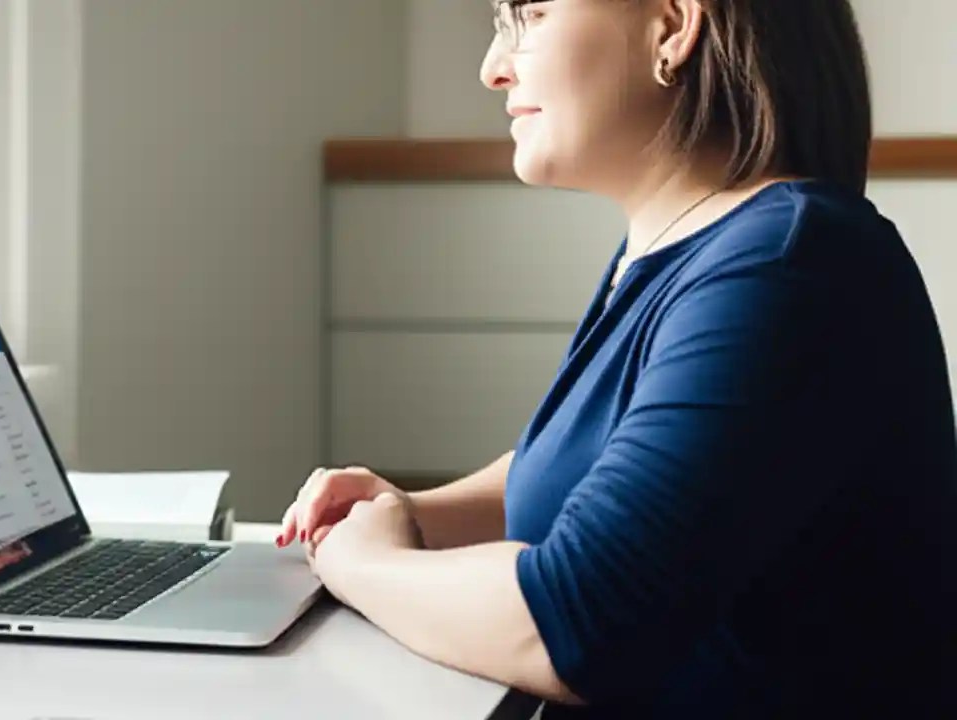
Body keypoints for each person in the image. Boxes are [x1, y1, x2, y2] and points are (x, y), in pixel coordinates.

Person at [278, 1, 956, 717]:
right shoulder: (694, 248)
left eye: (530, 16)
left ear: (671, 26)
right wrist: (411, 510)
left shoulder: (789, 263)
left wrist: (367, 565)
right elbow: (611, 468)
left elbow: (580, 627)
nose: (493, 69)